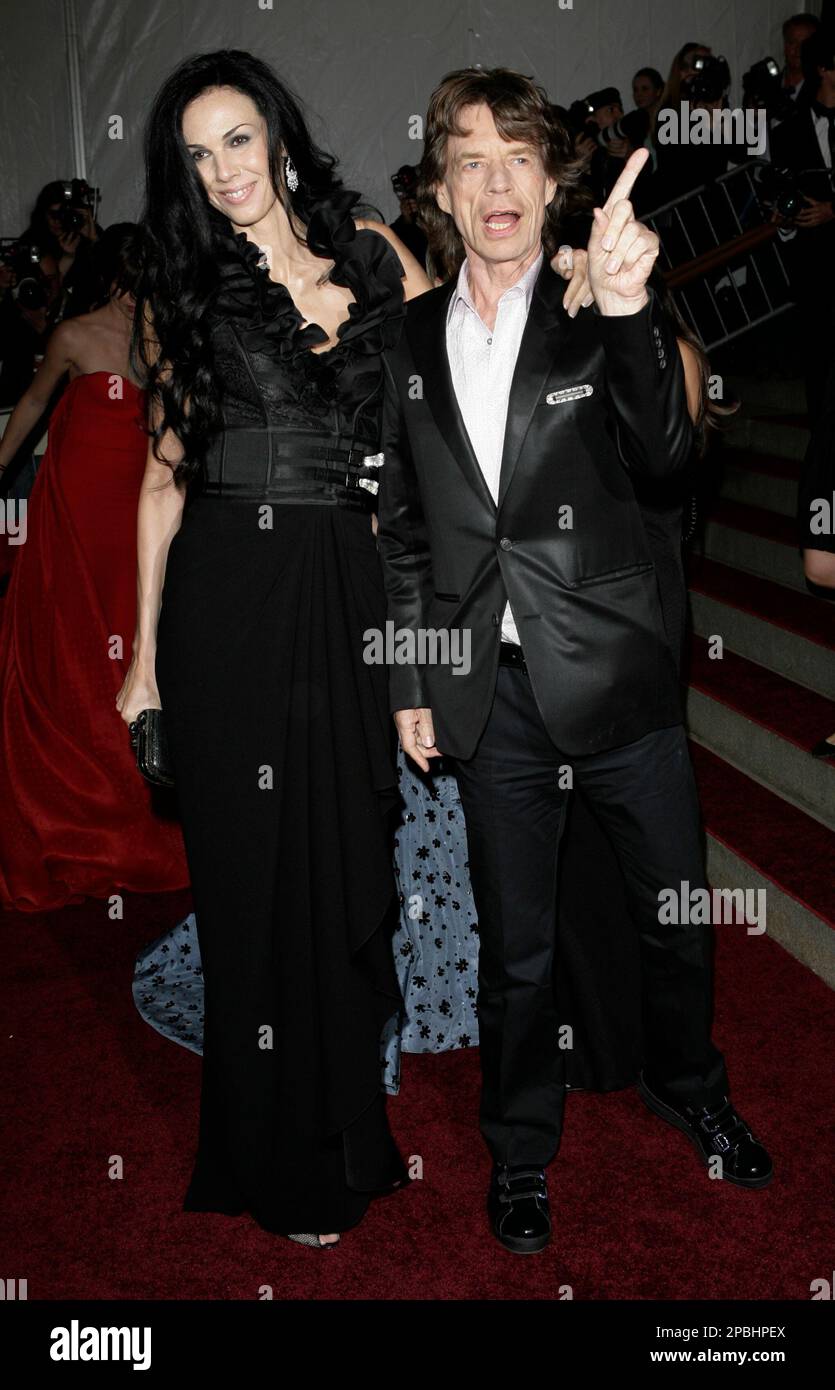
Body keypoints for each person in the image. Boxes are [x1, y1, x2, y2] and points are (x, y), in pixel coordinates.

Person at [376, 67, 773, 1256]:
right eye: (468, 158)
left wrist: (631, 312)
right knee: (519, 947)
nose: (494, 182)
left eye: (516, 158)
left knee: (674, 916)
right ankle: (520, 1151)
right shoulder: (402, 337)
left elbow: (662, 462)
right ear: (441, 187)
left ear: (551, 182)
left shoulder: (592, 306)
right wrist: (410, 677)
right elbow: (405, 531)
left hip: (617, 681)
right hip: (491, 697)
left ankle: (689, 1087)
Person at [0, 225, 188, 910]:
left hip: (83, 507)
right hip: (138, 510)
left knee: (72, 640)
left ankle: (86, 795)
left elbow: (30, 405)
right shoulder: (163, 340)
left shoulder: (75, 334)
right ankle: (137, 782)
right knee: (131, 631)